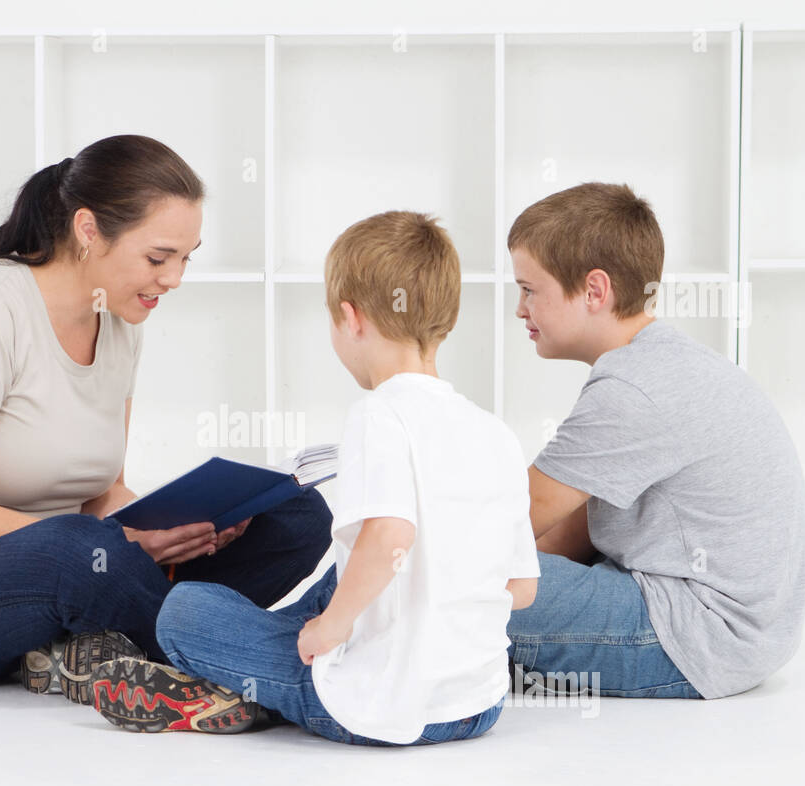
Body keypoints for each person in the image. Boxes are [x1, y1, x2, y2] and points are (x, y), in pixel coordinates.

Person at [0, 134, 333, 703]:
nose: (174, 278)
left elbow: (99, 493)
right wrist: (108, 542)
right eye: (158, 258)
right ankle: (246, 659)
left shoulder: (121, 321)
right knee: (80, 551)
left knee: (294, 515)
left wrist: (179, 529)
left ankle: (123, 652)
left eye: (186, 257)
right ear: (87, 231)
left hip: (72, 575)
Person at [90, 211, 540, 745]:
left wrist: (334, 628)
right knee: (343, 580)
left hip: (380, 707)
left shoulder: (380, 415)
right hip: (478, 704)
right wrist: (442, 596)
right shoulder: (495, 433)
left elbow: (391, 535)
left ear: (350, 319)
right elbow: (522, 588)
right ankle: (260, 674)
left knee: (186, 611)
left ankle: (249, 687)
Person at [506, 182, 805, 699]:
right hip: (748, 637)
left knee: (448, 595)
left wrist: (402, 562)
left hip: (700, 633)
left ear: (595, 290)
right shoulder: (659, 361)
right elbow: (565, 527)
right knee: (468, 581)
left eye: (530, 290)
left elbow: (512, 519)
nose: (520, 309)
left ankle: (329, 652)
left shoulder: (632, 388)